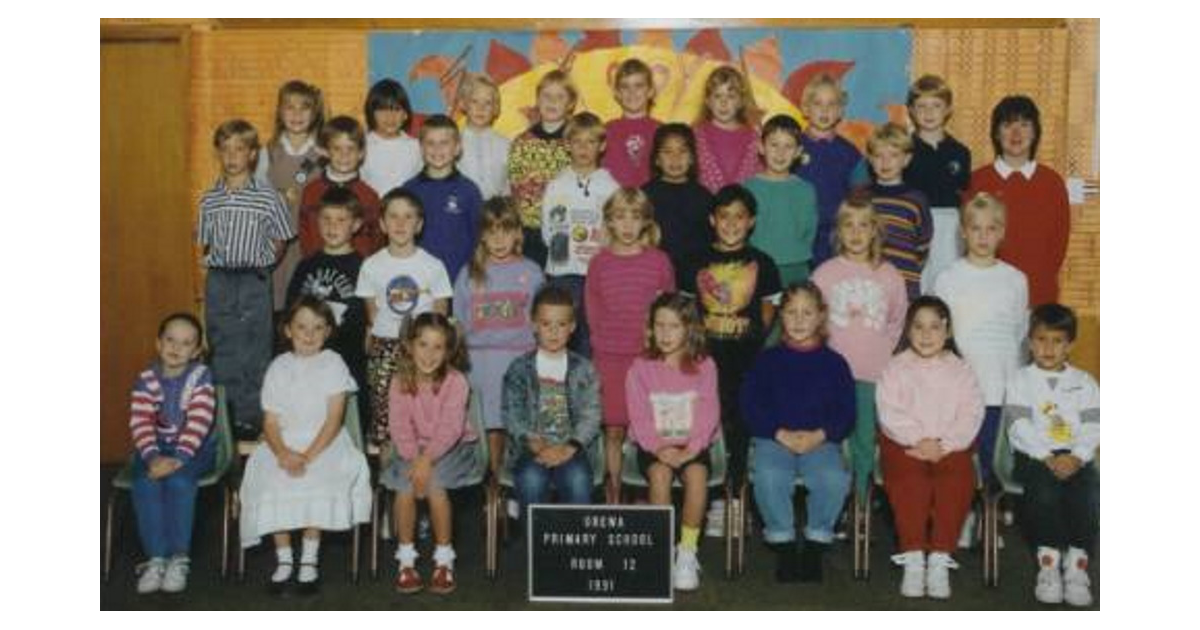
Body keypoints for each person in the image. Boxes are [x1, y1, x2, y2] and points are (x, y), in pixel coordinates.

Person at [238, 297, 371, 594]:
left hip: (324, 441)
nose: (309, 334)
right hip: (283, 442)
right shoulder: (278, 367)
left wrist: (307, 457)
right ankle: (284, 559)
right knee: (272, 480)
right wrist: (283, 453)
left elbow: (334, 420)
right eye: (301, 327)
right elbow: (270, 422)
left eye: (318, 327)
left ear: (327, 332)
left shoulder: (334, 363)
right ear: (287, 330)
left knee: (319, 478)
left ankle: (309, 558)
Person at [678, 184, 782, 536]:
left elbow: (768, 312)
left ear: (751, 222)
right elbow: (685, 312)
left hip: (744, 362)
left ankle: (732, 498)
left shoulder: (763, 263)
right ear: (713, 220)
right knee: (704, 428)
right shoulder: (693, 260)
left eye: (740, 217)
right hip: (702, 362)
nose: (732, 224)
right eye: (724, 217)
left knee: (739, 429)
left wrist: (746, 337)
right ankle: (706, 498)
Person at [741, 283, 854, 583]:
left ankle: (816, 544)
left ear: (821, 317)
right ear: (781, 316)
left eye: (807, 312)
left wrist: (820, 434)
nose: (799, 320)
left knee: (833, 478)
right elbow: (750, 405)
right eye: (791, 312)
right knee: (769, 476)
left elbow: (846, 412)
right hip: (775, 438)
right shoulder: (767, 361)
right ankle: (785, 545)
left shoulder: (835, 364)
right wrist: (778, 433)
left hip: (819, 440)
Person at [877, 296, 983, 600]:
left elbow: (971, 412)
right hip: (905, 444)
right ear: (907, 331)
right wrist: (919, 440)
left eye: (934, 327)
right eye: (918, 327)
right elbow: (889, 411)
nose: (926, 335)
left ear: (947, 332)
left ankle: (938, 558)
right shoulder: (896, 367)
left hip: (950, 445)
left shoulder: (961, 370)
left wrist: (945, 444)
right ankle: (913, 558)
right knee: (911, 483)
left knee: (956, 481)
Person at [197, 119, 294, 437]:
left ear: (252, 154)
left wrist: (262, 267)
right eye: (225, 149)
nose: (231, 156)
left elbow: (281, 239)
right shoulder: (210, 199)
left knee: (255, 346)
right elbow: (205, 243)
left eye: (239, 149)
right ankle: (226, 421)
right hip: (221, 278)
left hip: (254, 278)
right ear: (218, 154)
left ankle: (254, 421)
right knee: (223, 345)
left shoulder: (269, 197)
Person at [811, 196, 908, 497]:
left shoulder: (889, 275)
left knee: (864, 440)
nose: (856, 233)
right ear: (838, 231)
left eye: (863, 226)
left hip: (871, 373)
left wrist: (880, 353)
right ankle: (834, 503)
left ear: (875, 232)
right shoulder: (824, 274)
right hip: (832, 375)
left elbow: (897, 320)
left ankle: (861, 505)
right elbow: (813, 321)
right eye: (848, 225)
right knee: (831, 439)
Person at [1005, 303, 1099, 607]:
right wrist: (1046, 456)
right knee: (1043, 493)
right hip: (1034, 456)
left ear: (1070, 344)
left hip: (1075, 456)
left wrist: (1079, 456)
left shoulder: (1084, 382)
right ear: (1030, 342)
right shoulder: (1021, 380)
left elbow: (1094, 424)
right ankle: (1049, 563)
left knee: (1087, 493)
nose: (1048, 348)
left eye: (1057, 341)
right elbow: (1018, 424)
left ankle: (1077, 565)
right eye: (1041, 339)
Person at [934, 192, 1028, 491]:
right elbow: (940, 336)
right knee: (960, 460)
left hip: (1000, 387)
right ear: (963, 231)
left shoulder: (1015, 279)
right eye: (975, 228)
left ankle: (991, 521)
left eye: (991, 229)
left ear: (1002, 233)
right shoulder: (948, 278)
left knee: (992, 461)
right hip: (961, 388)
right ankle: (964, 517)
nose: (983, 236)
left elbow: (1017, 331)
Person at [625, 292, 718, 590]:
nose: (665, 334)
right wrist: (659, 448)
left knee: (698, 475)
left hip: (692, 445)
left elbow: (708, 412)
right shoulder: (640, 368)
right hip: (655, 445)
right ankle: (661, 549)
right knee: (660, 476)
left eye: (674, 326)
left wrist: (692, 448)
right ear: (650, 328)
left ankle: (687, 552)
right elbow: (639, 417)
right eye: (659, 325)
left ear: (690, 329)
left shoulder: (705, 366)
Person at [586, 188, 675, 501]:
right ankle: (614, 494)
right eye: (620, 217)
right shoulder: (599, 263)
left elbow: (669, 311)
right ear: (609, 222)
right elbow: (593, 311)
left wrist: (660, 351)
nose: (627, 225)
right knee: (613, 429)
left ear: (646, 223)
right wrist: (603, 343)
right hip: (609, 357)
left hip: (649, 358)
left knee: (648, 430)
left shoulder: (659, 261)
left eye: (635, 217)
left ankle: (646, 496)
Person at [383, 313, 476, 596]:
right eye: (423, 344)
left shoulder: (457, 381)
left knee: (435, 486)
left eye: (438, 347)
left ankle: (444, 559)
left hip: (453, 446)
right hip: (411, 448)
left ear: (448, 350)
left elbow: (450, 428)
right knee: (403, 488)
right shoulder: (399, 381)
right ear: (410, 345)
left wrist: (427, 460)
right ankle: (406, 560)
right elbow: (399, 426)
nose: (429, 354)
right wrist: (415, 459)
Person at [453, 197, 544, 479]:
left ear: (518, 232)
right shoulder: (469, 274)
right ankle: (488, 495)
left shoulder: (531, 272)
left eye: (506, 230)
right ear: (482, 234)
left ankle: (512, 497)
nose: (499, 238)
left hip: (518, 363)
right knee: (487, 434)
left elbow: (541, 325)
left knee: (517, 434)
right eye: (492, 231)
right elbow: (458, 325)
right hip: (480, 366)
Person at [355, 189, 453, 442]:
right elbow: (372, 313)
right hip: (385, 347)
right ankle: (389, 475)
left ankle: (424, 470)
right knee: (385, 416)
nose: (400, 223)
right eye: (393, 216)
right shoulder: (371, 265)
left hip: (422, 349)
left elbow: (440, 312)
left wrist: (431, 350)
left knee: (422, 413)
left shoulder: (433, 265)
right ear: (382, 224)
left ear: (419, 225)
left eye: (408, 217)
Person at [128, 313, 216, 594]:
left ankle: (179, 557)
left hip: (195, 450)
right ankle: (156, 558)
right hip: (155, 449)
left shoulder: (200, 377)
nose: (177, 348)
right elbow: (141, 422)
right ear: (158, 343)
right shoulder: (146, 379)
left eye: (186, 342)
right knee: (144, 482)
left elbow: (199, 422)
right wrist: (153, 458)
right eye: (170, 340)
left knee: (179, 482)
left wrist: (178, 458)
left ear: (198, 350)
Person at [501, 285, 602, 517]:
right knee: (531, 479)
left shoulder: (584, 369)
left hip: (572, 449)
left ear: (573, 327)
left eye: (561, 325)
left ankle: (575, 550)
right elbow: (512, 414)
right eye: (546, 324)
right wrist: (535, 443)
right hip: (532, 448)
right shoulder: (519, 369)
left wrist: (570, 447)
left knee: (578, 481)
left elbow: (591, 415)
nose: (554, 332)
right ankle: (536, 549)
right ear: (534, 325)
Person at [964, 95, 1070, 307]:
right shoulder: (976, 181)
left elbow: (1058, 246)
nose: (1016, 133)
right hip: (986, 297)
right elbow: (967, 242)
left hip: (1039, 296)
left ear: (1035, 132)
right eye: (1007, 125)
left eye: (1024, 125)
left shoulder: (1053, 183)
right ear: (996, 132)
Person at [285, 187, 369, 434]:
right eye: (326, 219)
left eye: (341, 220)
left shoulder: (364, 267)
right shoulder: (306, 265)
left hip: (349, 360)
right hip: (309, 359)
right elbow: (292, 311)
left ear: (356, 225)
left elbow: (368, 316)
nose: (332, 227)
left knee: (348, 427)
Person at [541, 111, 620, 357]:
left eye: (591, 142)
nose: (584, 148)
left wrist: (599, 249)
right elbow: (548, 230)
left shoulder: (610, 187)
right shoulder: (557, 185)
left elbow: (615, 229)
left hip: (598, 273)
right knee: (562, 335)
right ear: (568, 145)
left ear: (602, 145)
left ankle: (587, 389)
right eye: (577, 142)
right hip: (563, 274)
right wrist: (566, 251)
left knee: (593, 335)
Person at [256, 80, 326, 311]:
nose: (297, 114)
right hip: (277, 247)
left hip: (313, 243)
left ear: (315, 112)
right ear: (279, 111)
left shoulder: (324, 152)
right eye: (290, 107)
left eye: (304, 107)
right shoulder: (267, 153)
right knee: (278, 309)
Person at [901, 74, 972, 294]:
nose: (929, 113)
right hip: (914, 224)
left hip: (949, 227)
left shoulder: (960, 153)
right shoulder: (904, 150)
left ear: (948, 109)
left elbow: (963, 191)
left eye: (936, 105)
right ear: (911, 111)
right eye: (921, 106)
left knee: (948, 285)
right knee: (916, 284)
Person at [794, 73, 869, 267]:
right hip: (797, 233)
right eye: (818, 103)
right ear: (806, 108)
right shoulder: (793, 147)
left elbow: (860, 198)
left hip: (835, 238)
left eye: (832, 104)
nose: (824, 110)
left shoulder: (850, 153)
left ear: (840, 111)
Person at [401, 113, 483, 282]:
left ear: (457, 148)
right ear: (421, 148)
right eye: (430, 143)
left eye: (444, 143)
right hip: (418, 282)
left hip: (459, 281)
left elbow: (480, 239)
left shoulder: (469, 191)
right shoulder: (409, 191)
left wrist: (474, 276)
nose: (437, 149)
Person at [508, 69, 576, 268]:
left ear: (571, 103)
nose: (552, 102)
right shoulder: (522, 142)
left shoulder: (575, 142)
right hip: (530, 231)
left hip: (564, 230)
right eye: (546, 96)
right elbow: (515, 189)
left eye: (560, 96)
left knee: (560, 286)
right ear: (537, 100)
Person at [744, 114, 819, 287]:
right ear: (761, 147)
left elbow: (808, 233)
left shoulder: (806, 191)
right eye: (774, 145)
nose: (780, 153)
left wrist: (793, 252)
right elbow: (744, 232)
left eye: (788, 146)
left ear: (798, 152)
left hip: (796, 268)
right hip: (757, 268)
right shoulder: (748, 188)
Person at [298, 115, 383, 258]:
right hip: (320, 268)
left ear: (361, 153)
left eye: (351, 148)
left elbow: (377, 239)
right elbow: (304, 233)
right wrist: (312, 261)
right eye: (337, 148)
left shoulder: (370, 196)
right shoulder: (311, 191)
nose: (344, 155)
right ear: (325, 151)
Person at [866, 122, 932, 299]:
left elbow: (923, 244)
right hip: (868, 283)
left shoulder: (917, 200)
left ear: (906, 159)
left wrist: (908, 269)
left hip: (905, 283)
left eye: (894, 155)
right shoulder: (861, 199)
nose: (885, 162)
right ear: (870, 159)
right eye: (879, 155)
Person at [642, 123, 714, 279]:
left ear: (692, 158)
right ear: (656, 159)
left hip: (693, 278)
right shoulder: (644, 196)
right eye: (667, 152)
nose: (675, 158)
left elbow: (711, 244)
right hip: (653, 275)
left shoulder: (704, 197)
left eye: (682, 151)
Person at [694, 65, 760, 194]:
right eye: (717, 96)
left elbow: (759, 178)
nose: (723, 103)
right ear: (708, 101)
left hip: (743, 209)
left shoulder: (754, 138)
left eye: (731, 96)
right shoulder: (696, 136)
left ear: (741, 101)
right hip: (706, 208)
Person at [603, 58, 661, 188]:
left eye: (638, 86)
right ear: (617, 93)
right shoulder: (606, 130)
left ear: (650, 91)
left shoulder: (662, 131)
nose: (632, 92)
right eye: (625, 86)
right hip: (616, 202)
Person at [361, 78, 422, 197]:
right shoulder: (362, 146)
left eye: (396, 109)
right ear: (371, 113)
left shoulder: (417, 147)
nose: (390, 117)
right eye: (382, 110)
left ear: (405, 114)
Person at [456, 73, 511, 200]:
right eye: (474, 101)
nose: (481, 108)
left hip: (495, 214)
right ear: (464, 104)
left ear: (495, 108)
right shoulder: (453, 142)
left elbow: (509, 186)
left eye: (488, 103)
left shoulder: (505, 144)